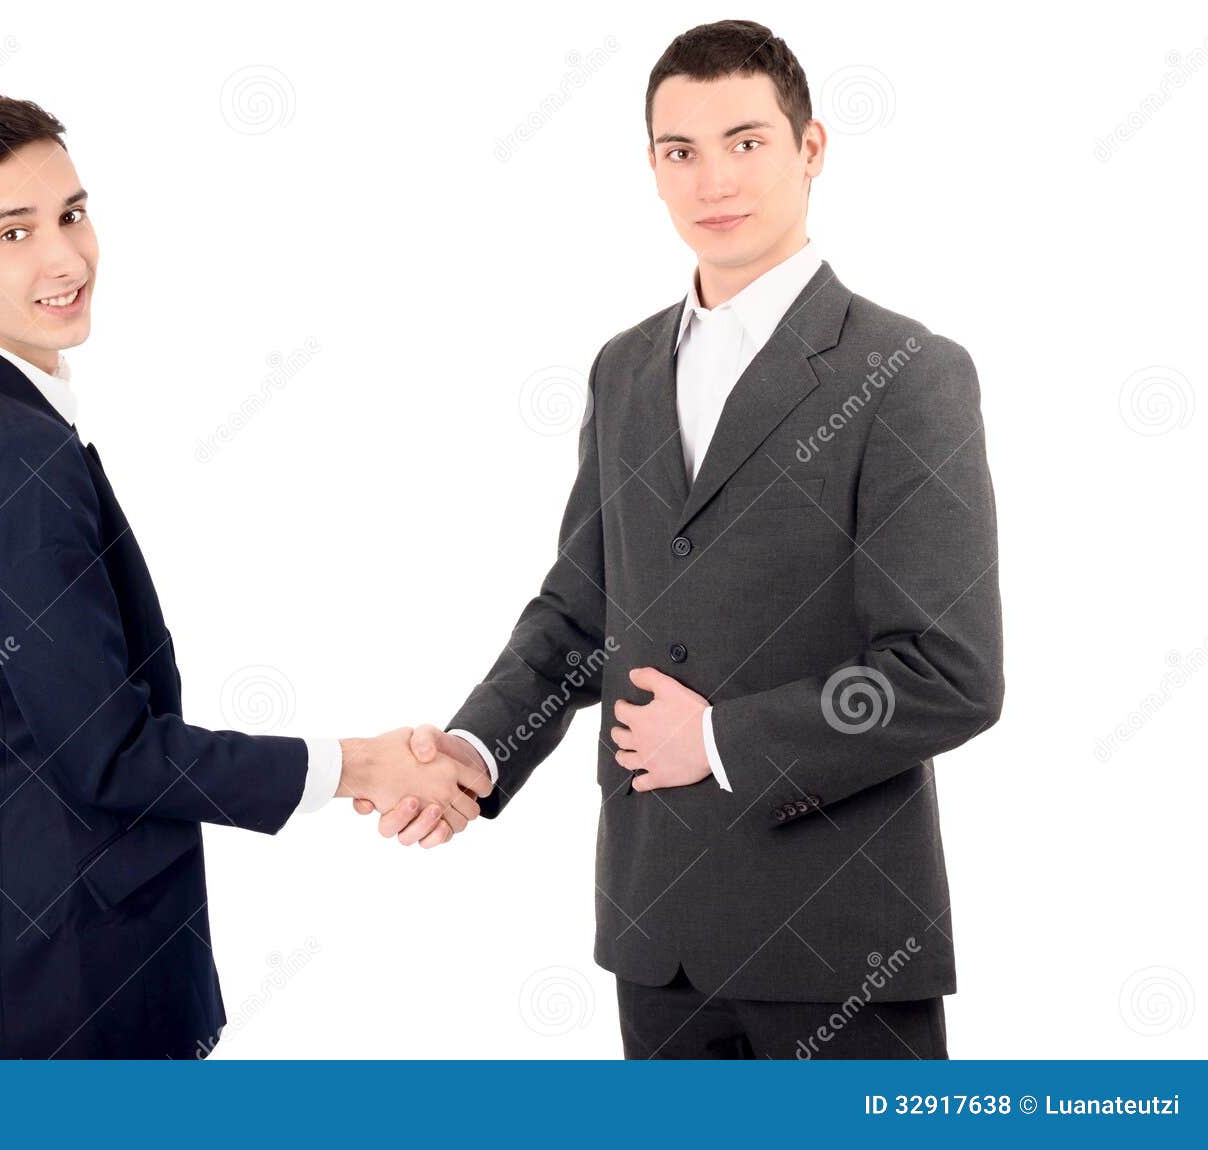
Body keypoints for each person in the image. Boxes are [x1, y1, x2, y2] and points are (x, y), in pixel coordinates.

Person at [357, 19, 1004, 1060]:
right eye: (679, 151)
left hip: (838, 949)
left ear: (811, 149)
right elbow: (578, 615)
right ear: (652, 170)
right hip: (657, 941)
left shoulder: (907, 373)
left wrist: (715, 741)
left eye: (745, 141)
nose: (713, 180)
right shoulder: (622, 370)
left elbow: (948, 673)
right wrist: (476, 751)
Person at [0, 93, 491, 1058]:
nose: (65, 258)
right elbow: (107, 754)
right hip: (68, 992)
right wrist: (359, 764)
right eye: (14, 231)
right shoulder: (9, 450)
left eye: (73, 213)